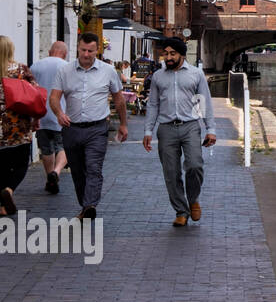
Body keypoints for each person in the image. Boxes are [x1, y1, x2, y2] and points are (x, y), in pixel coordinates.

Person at [48, 33, 129, 221]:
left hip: (97, 128)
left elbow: (119, 99)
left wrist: (123, 124)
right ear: (78, 48)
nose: (86, 54)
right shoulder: (65, 71)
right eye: (83, 50)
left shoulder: (108, 71)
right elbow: (54, 97)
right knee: (77, 170)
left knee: (94, 167)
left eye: (90, 51)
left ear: (97, 50)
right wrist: (60, 113)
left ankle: (90, 204)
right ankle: (85, 206)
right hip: (72, 128)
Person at [142, 37, 215, 227]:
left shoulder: (196, 74)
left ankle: (193, 200)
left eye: (172, 53)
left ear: (182, 54)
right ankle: (181, 211)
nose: (168, 57)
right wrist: (148, 131)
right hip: (166, 128)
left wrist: (211, 129)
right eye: (165, 54)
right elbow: (153, 104)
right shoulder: (158, 76)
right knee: (171, 172)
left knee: (194, 166)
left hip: (190, 125)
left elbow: (204, 101)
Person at [0, 35, 39, 217]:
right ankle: (9, 190)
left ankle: (2, 206)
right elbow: (34, 95)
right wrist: (36, 118)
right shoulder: (20, 70)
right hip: (18, 127)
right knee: (21, 164)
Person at [29, 40, 69, 194]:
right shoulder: (66, 67)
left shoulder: (35, 66)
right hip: (61, 113)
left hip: (41, 115)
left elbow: (30, 91)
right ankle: (57, 172)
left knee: (46, 149)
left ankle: (49, 179)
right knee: (63, 147)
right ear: (64, 54)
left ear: (50, 51)